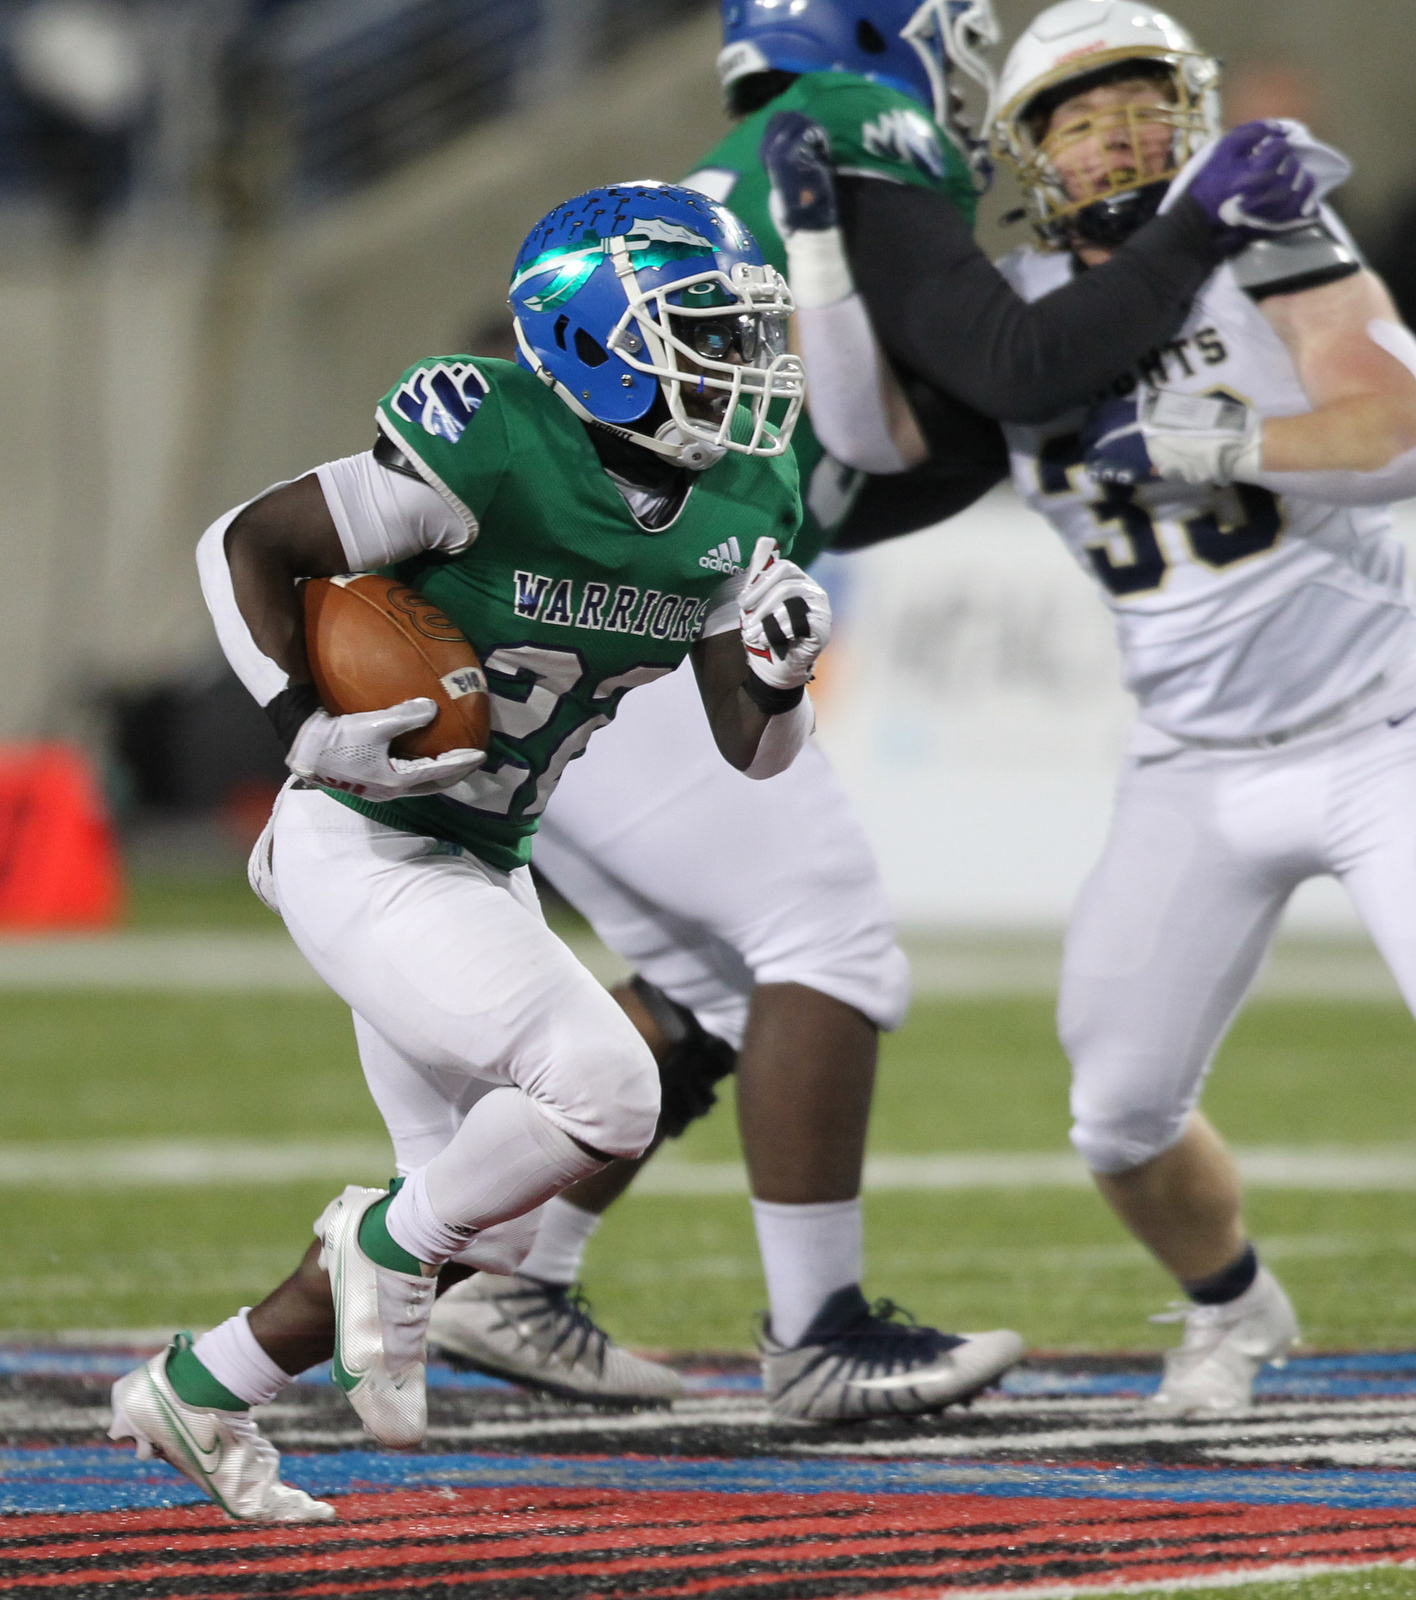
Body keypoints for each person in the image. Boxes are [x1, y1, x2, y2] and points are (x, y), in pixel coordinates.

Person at [429, 0, 1323, 1422]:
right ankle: (819, 1332)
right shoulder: (851, 126)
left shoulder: (758, 168)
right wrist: (1198, 228)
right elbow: (1011, 372)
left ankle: (507, 1277)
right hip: (632, 601)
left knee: (715, 989)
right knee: (825, 941)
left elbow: (884, 439)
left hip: (558, 601)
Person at [106, 181, 834, 1522]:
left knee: (484, 1227)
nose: (738, 367)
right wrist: (304, 723)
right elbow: (243, 545)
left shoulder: (746, 493)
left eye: (740, 334)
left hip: (485, 856)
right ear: (592, 337)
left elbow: (752, 748)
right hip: (363, 841)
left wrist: (781, 677)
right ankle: (372, 1238)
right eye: (704, 332)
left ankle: (199, 1393)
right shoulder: (491, 436)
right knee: (604, 1094)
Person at [783, 0, 1416, 1416]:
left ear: (1189, 111)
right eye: (1081, 115)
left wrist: (1235, 438)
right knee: (1118, 1109)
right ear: (1032, 153)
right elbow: (869, 442)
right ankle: (1237, 1312)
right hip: (1193, 763)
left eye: (1142, 101)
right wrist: (826, 266)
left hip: (1390, 728)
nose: (1121, 132)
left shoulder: (1268, 235)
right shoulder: (1010, 311)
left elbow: (1398, 430)